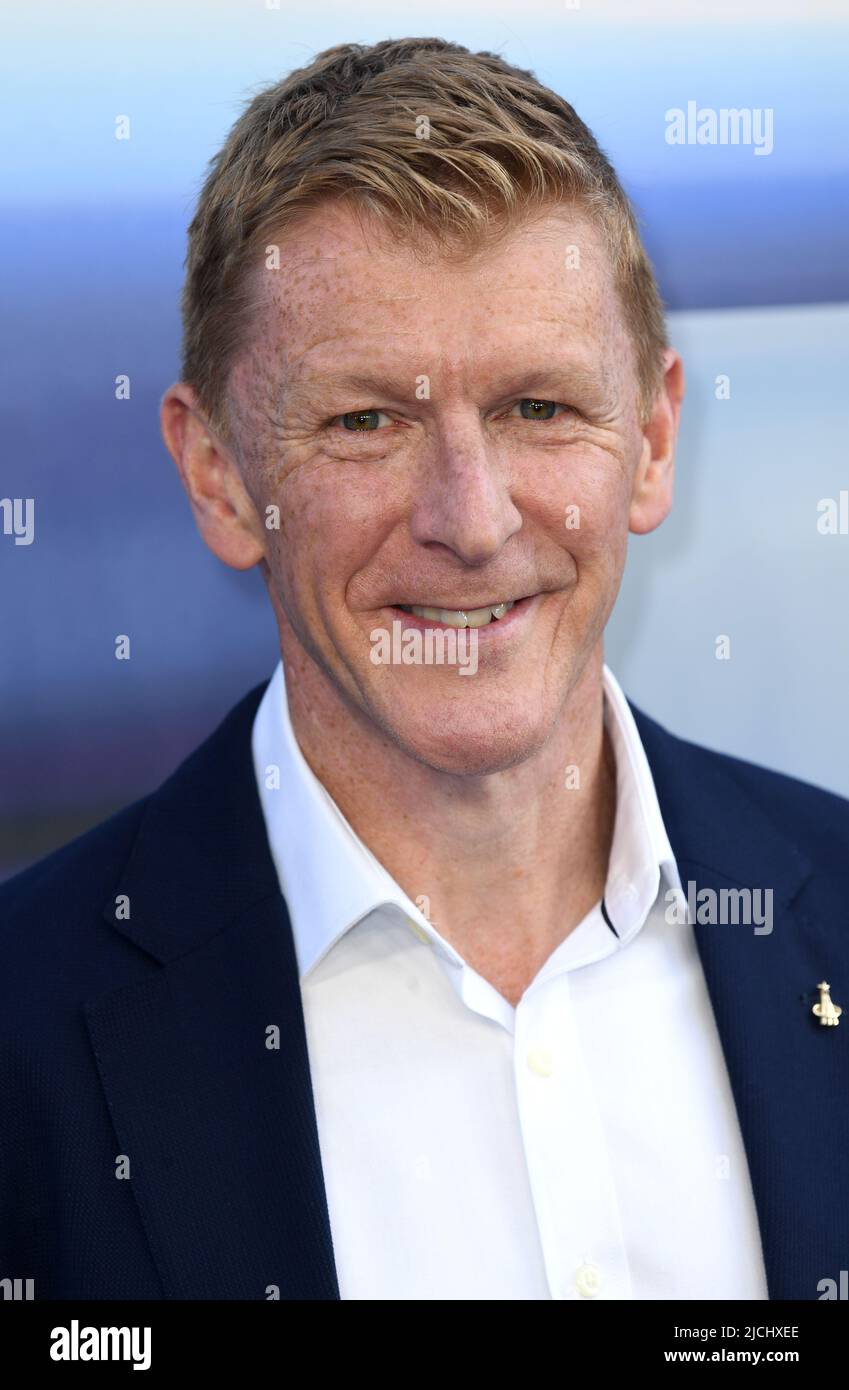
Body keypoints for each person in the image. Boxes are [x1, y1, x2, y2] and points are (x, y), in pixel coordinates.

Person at [2, 37, 848, 1302]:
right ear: (219, 474)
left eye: (539, 408)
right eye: (366, 421)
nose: (472, 517)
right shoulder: (24, 1030)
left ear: (656, 439)